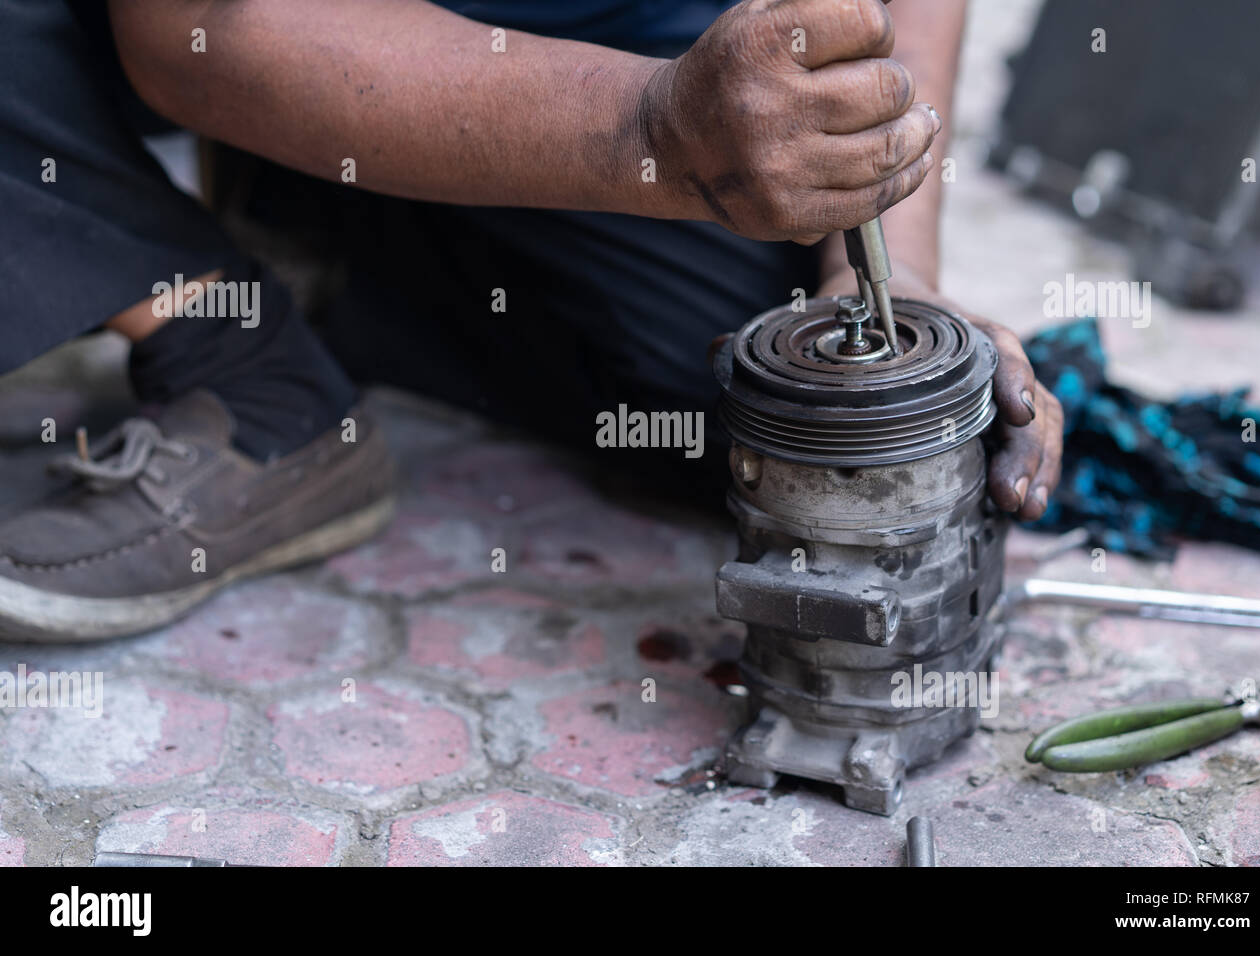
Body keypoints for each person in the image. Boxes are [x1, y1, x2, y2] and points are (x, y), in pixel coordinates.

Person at [0, 0, 1062, 641]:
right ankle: (227, 347)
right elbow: (200, 29)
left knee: (755, 404)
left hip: (577, 23)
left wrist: (888, 274)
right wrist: (652, 133)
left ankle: (305, 214)